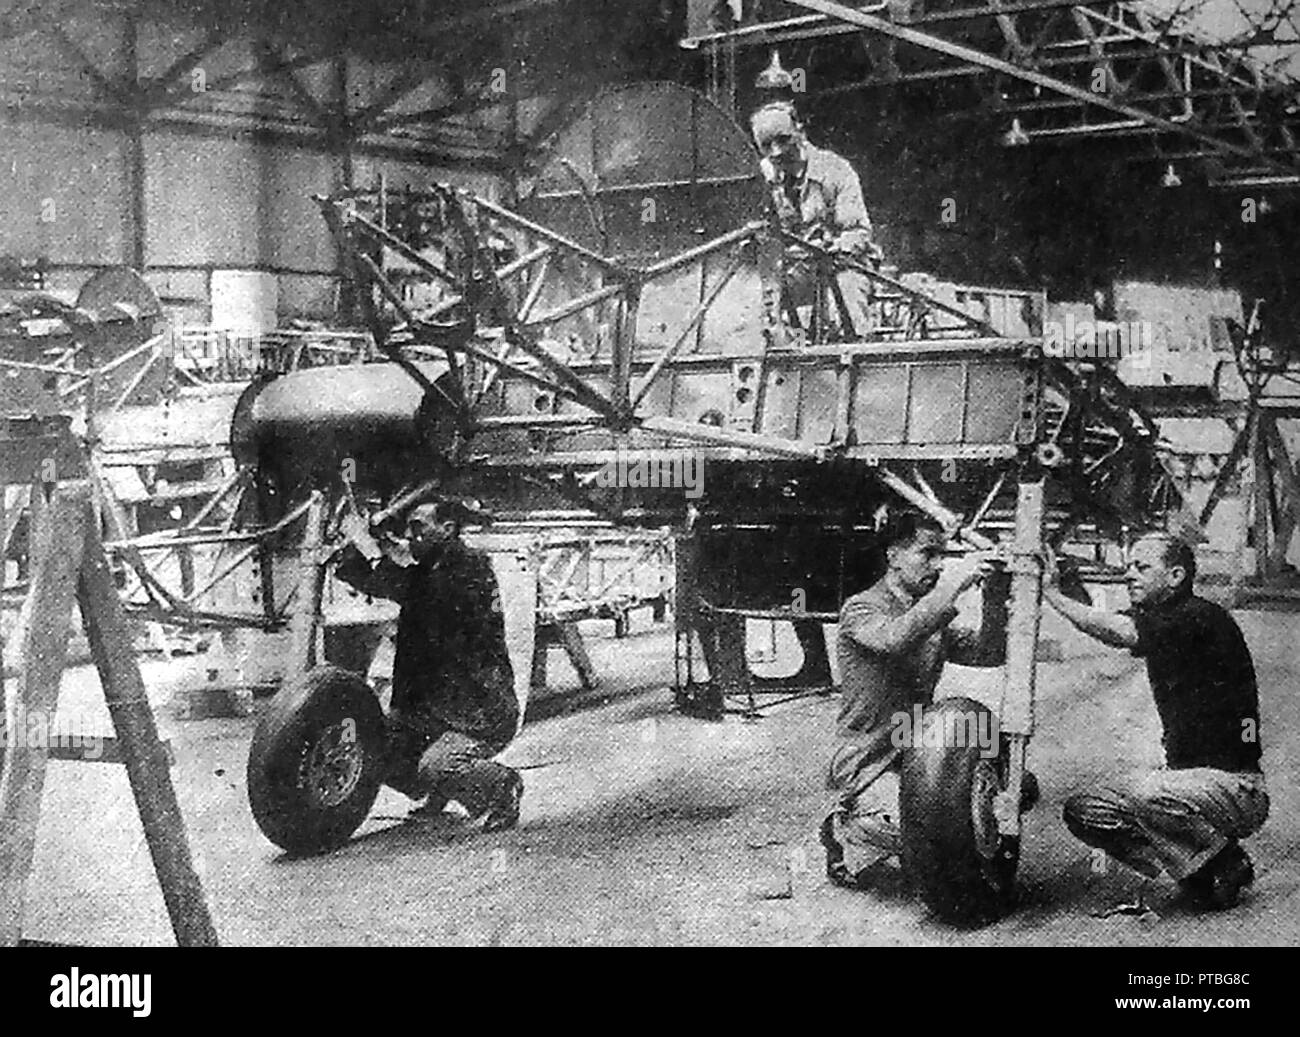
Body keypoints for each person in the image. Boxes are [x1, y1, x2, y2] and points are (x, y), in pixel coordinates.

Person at [1043, 532, 1268, 910]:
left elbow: (1117, 632)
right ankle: (1199, 868)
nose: (1130, 575)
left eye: (1142, 567)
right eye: (1129, 566)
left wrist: (1051, 595)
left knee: (1144, 794)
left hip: (1237, 788)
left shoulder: (1199, 617)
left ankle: (1225, 862)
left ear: (1176, 576)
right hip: (1188, 785)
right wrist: (1063, 584)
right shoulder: (1164, 619)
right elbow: (1102, 627)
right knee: (1085, 810)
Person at [821, 512, 1015, 889]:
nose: (939, 565)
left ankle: (916, 844)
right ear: (893, 555)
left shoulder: (927, 614)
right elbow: (896, 638)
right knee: (934, 833)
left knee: (1013, 789)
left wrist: (994, 594)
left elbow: (988, 653)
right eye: (927, 554)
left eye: (942, 555)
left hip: (918, 752)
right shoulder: (861, 609)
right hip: (871, 758)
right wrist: (953, 587)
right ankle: (842, 828)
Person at [335, 499, 524, 831]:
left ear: (448, 529)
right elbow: (375, 580)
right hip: (435, 709)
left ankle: (501, 786)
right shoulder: (430, 570)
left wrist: (372, 547)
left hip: (476, 712)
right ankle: (441, 790)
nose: (410, 536)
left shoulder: (468, 567)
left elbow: (408, 588)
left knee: (438, 766)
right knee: (371, 747)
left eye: (419, 527)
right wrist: (355, 547)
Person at [749, 101, 881, 337]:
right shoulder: (760, 178)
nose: (776, 152)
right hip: (792, 270)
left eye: (783, 140)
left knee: (847, 304)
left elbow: (858, 232)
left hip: (841, 267)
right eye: (766, 145)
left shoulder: (835, 170)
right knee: (749, 309)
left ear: (800, 130)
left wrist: (835, 247)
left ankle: (855, 361)